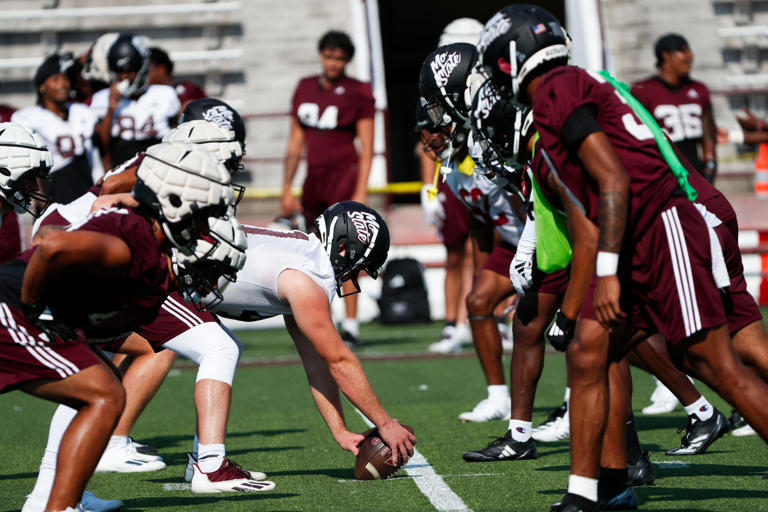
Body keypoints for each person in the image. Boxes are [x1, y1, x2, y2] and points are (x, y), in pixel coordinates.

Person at [479, 5, 768, 511]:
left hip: (661, 227)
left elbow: (615, 181)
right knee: (589, 350)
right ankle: (596, 491)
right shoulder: (565, 90)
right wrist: (571, 309)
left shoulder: (554, 91)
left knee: (716, 363)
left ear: (511, 58)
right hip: (630, 234)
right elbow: (587, 217)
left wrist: (608, 277)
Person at [178, 201, 416, 464]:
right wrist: (383, 423)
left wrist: (338, 429)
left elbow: (316, 362)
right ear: (342, 248)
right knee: (220, 348)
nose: (354, 276)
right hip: (168, 275)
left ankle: (200, 460)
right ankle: (206, 464)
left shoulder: (304, 253)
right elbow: (339, 360)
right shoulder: (311, 275)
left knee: (218, 344)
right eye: (359, 266)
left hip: (180, 275)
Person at [419, 43, 525, 422]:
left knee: (563, 325)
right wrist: (487, 279)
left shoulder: (489, 146)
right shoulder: (455, 168)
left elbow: (525, 204)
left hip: (547, 238)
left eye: (432, 128)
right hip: (515, 244)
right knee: (478, 301)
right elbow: (482, 225)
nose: (429, 139)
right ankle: (499, 398)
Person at [281, 30, 375, 348]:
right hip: (314, 182)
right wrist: (286, 187)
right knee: (316, 253)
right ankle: (325, 321)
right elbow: (295, 144)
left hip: (344, 178)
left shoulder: (357, 91)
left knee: (347, 254)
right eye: (329, 56)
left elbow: (368, 145)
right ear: (321, 56)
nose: (333, 63)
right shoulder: (305, 88)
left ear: (346, 61)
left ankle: (351, 324)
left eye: (339, 58)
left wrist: (361, 190)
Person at [13, 52, 104, 204]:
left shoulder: (81, 112)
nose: (62, 84)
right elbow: (28, 166)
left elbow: (94, 157)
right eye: (55, 79)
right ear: (42, 86)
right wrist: (41, 200)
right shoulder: (29, 118)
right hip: (55, 189)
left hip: (86, 185)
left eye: (65, 78)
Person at [631, 34, 717, 183]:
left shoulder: (699, 89)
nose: (690, 56)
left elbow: (708, 135)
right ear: (666, 55)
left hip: (694, 172)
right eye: (683, 51)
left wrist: (709, 167)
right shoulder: (642, 90)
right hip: (660, 176)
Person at [91, 34, 180, 169]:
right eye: (120, 71)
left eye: (130, 70)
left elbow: (177, 139)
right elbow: (101, 146)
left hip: (158, 163)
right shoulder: (102, 99)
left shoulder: (165, 94)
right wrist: (111, 109)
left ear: (142, 67)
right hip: (121, 165)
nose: (125, 76)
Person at [147, 47, 207, 112]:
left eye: (146, 70)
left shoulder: (188, 90)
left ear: (161, 70)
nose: (141, 74)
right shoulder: (143, 95)